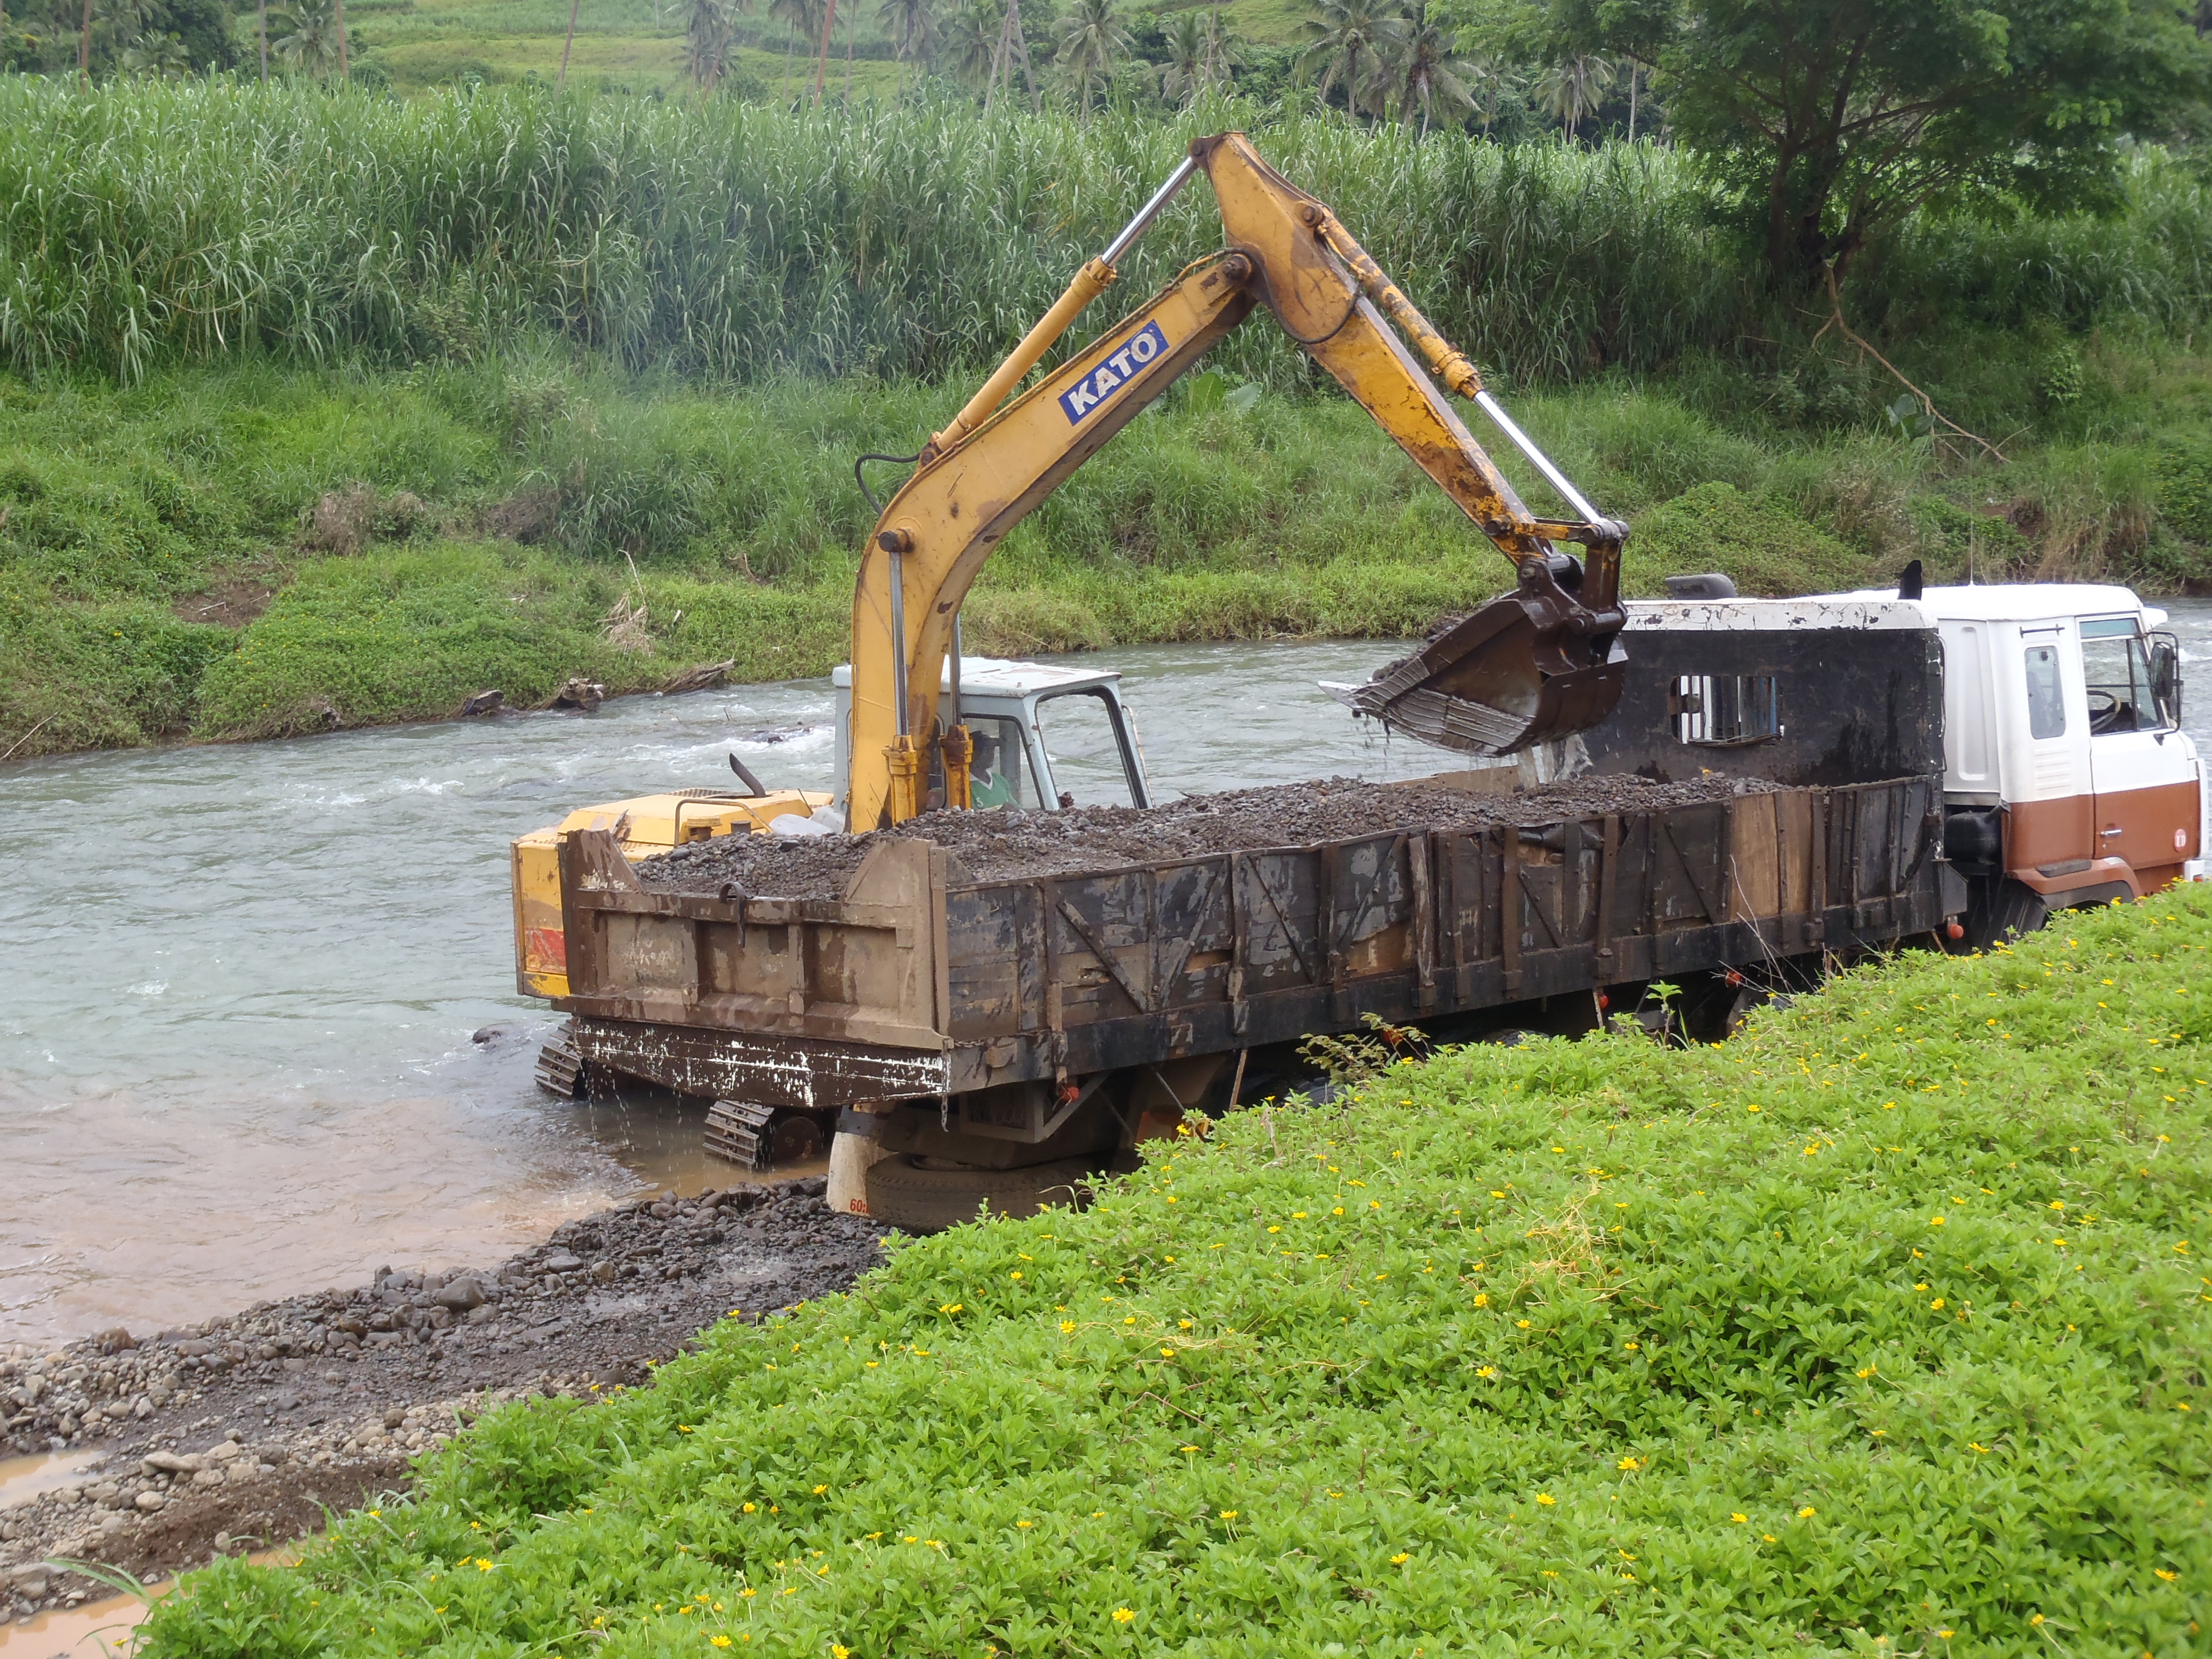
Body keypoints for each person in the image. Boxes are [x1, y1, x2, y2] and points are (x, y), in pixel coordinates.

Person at [970, 731, 1017, 808]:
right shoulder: (964, 787)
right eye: (986, 750)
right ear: (971, 754)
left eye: (993, 749)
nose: (992, 754)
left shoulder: (1000, 780)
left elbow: (1018, 810)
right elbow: (970, 818)